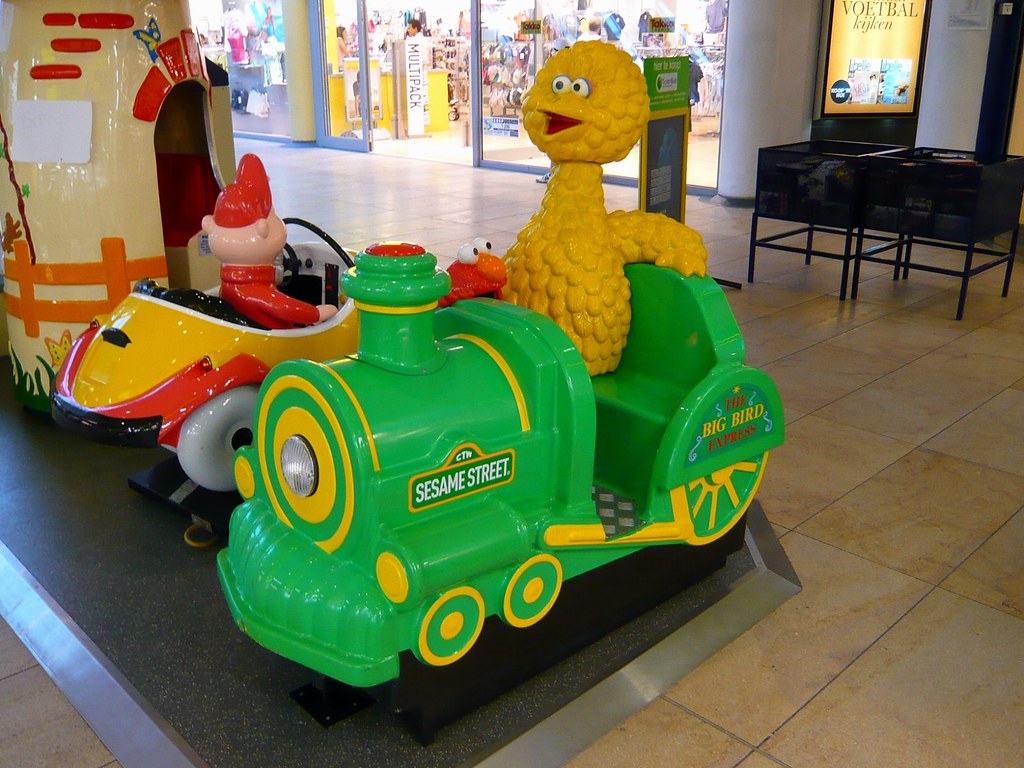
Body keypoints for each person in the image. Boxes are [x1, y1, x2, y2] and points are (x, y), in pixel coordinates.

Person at [203, 155, 337, 329]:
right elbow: (282, 307)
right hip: (279, 345)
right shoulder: (252, 290)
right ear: (262, 228)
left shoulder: (229, 286)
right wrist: (316, 313)